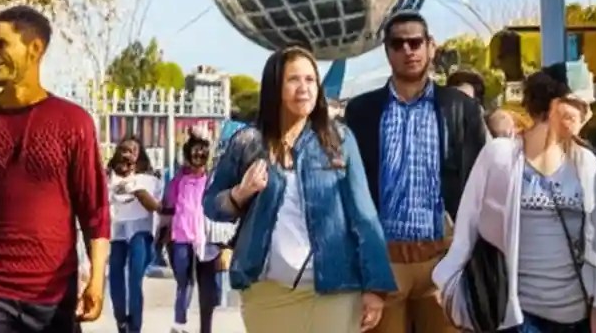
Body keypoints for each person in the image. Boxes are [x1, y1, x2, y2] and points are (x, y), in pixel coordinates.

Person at [0, 5, 110, 333]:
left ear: (35, 49)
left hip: (52, 298)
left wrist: (97, 281)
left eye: (0, 45)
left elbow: (95, 212)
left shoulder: (73, 122)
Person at [205, 46, 396, 332]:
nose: (304, 88)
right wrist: (239, 194)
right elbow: (211, 205)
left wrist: (376, 287)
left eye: (310, 79)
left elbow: (364, 217)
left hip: (335, 289)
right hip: (267, 292)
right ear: (274, 86)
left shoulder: (339, 140)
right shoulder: (247, 142)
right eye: (294, 79)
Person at [434, 65, 596, 333]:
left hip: (576, 317)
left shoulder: (586, 164)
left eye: (588, 106)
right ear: (553, 102)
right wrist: (454, 292)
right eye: (579, 104)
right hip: (516, 317)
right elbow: (468, 228)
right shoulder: (500, 157)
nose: (585, 114)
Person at [343, 11, 489, 333]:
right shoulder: (362, 111)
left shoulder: (460, 108)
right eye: (398, 43)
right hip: (384, 264)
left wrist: (466, 258)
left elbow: (480, 185)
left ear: (430, 46)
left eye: (415, 42)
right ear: (388, 52)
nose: (408, 50)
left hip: (442, 259)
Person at [160, 134, 223, 333]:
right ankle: (180, 323)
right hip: (180, 238)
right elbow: (167, 205)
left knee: (208, 287)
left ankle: (206, 328)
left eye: (202, 152)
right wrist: (162, 236)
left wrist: (224, 244)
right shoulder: (179, 179)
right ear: (188, 155)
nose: (198, 155)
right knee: (184, 281)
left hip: (206, 240)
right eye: (194, 151)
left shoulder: (213, 180)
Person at [107, 134, 162, 333]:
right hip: (118, 231)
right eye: (124, 150)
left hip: (140, 231)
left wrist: (135, 187)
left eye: (132, 151)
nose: (127, 155)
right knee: (115, 277)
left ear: (139, 156)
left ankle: (135, 327)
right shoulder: (109, 178)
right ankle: (121, 321)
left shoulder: (147, 179)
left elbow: (155, 206)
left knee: (134, 279)